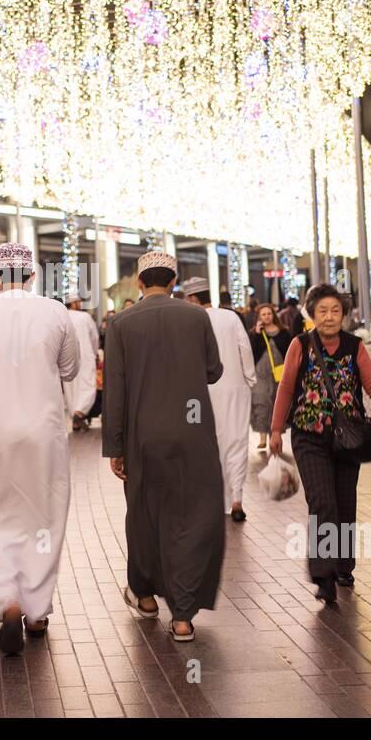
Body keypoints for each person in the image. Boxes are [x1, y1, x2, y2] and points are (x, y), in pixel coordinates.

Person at [0, 243, 80, 655]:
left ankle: (5, 600)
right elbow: (71, 369)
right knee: (41, 519)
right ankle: (36, 610)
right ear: (33, 276)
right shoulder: (55, 312)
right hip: (43, 435)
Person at [103, 251, 224, 642]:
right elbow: (213, 370)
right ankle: (183, 617)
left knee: (144, 514)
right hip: (192, 431)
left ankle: (146, 596)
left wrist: (115, 446)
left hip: (143, 436)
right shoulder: (196, 316)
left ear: (139, 283)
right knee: (191, 515)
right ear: (174, 282)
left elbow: (115, 389)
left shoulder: (120, 322)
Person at [269, 285, 371, 604]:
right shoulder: (301, 345)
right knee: (323, 502)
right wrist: (275, 430)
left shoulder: (354, 346)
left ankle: (343, 565)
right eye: (322, 311)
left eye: (335, 311)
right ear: (311, 314)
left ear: (344, 314)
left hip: (346, 437)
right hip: (309, 436)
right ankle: (323, 575)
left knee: (344, 502)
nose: (329, 317)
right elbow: (285, 389)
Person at [184, 276, 256, 522]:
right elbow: (244, 349)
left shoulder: (189, 320)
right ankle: (236, 499)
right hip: (235, 388)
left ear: (193, 298)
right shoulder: (230, 317)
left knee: (202, 441)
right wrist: (250, 378)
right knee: (236, 440)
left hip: (197, 394)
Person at [250, 302, 292, 451]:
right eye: (263, 314)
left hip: (279, 375)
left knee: (276, 403)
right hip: (260, 373)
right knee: (260, 402)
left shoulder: (284, 332)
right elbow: (251, 351)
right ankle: (262, 437)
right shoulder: (255, 333)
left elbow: (289, 352)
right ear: (259, 317)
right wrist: (256, 333)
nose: (267, 317)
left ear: (273, 315)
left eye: (269, 314)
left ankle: (275, 436)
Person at [62, 293, 100, 431]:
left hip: (66, 358)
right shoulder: (85, 317)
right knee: (87, 384)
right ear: (73, 303)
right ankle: (80, 412)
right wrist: (95, 353)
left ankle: (75, 420)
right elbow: (94, 337)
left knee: (71, 388)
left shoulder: (62, 316)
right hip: (85, 356)